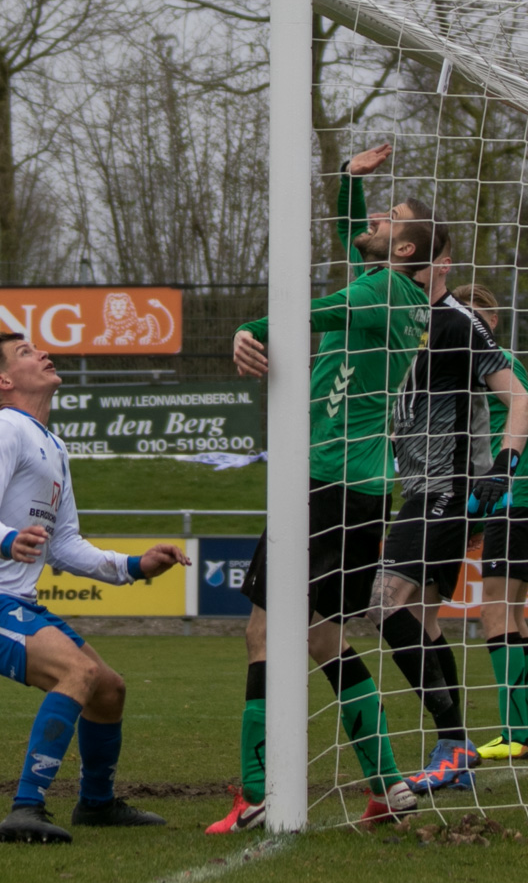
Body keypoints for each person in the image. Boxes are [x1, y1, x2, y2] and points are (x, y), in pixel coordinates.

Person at [208, 147, 440, 834]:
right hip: (359, 489)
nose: (368, 221)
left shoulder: (379, 294)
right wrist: (349, 179)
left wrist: (248, 332)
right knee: (321, 637)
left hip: (322, 484)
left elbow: (306, 315)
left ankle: (256, 794)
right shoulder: (398, 289)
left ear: (402, 245)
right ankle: (387, 784)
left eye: (385, 219)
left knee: (263, 631)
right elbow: (348, 232)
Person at [0, 332, 191, 844]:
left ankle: (95, 804)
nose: (44, 354)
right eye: (27, 353)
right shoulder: (1, 428)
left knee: (108, 689)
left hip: (13, 600)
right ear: (3, 382)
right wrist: (8, 541)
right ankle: (24, 809)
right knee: (79, 670)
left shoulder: (51, 443)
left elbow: (66, 543)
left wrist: (136, 565)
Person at [363, 228, 528, 793]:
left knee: (385, 605)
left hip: (449, 489)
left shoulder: (458, 321)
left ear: (438, 263)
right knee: (426, 620)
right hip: (418, 487)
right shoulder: (394, 312)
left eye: (397, 223)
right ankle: (453, 748)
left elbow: (520, 397)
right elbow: (361, 250)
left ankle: (453, 738)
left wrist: (504, 465)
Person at [453, 283, 528, 762]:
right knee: (515, 611)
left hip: (513, 499)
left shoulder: (495, 363)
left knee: (495, 610)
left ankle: (515, 731)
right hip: (513, 499)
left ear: (491, 322)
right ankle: (521, 728)